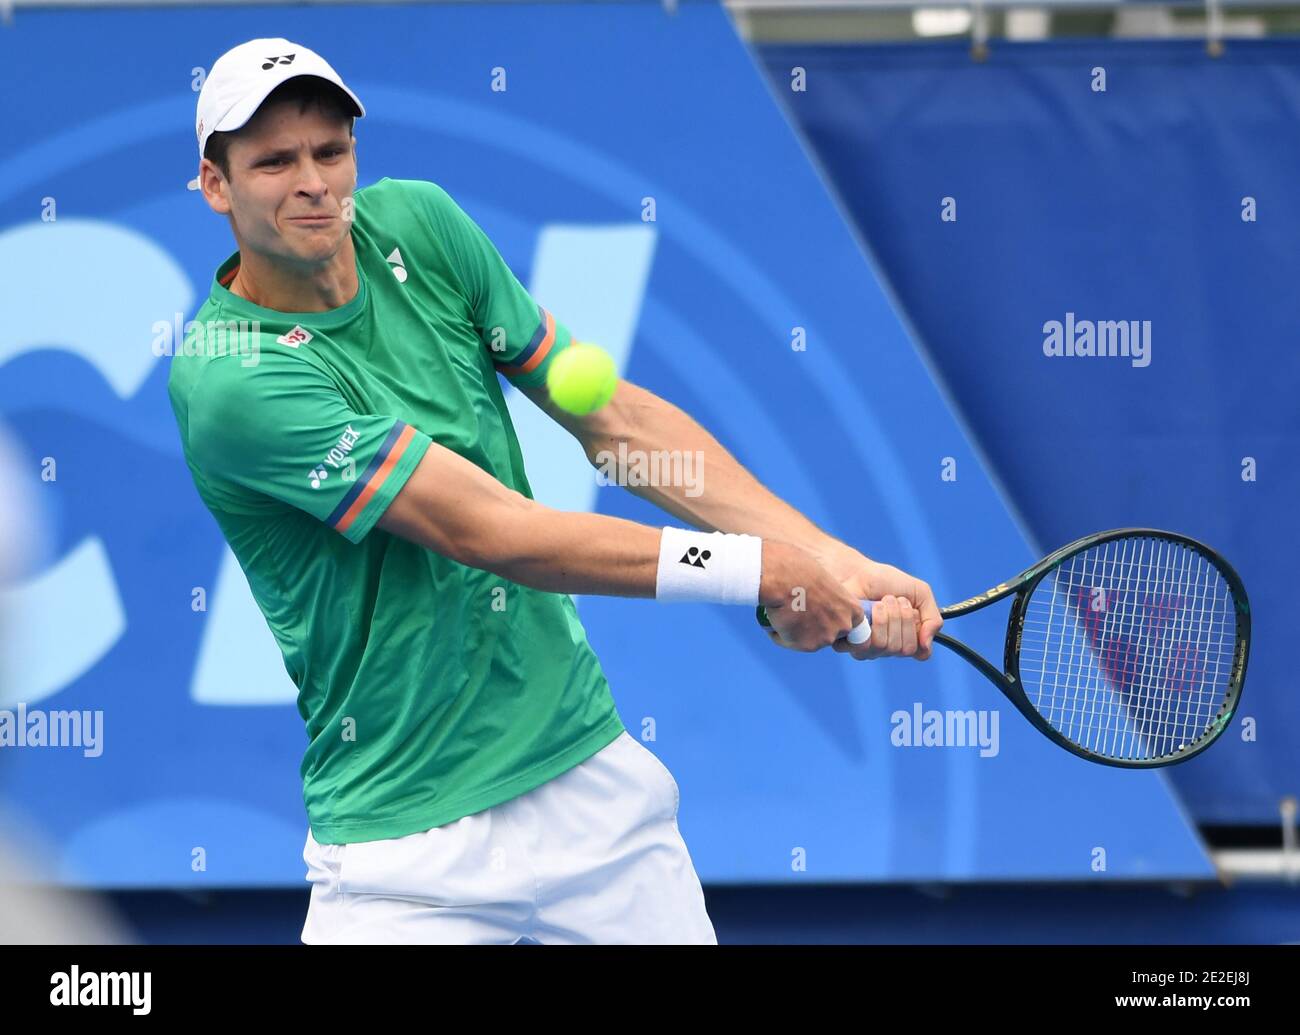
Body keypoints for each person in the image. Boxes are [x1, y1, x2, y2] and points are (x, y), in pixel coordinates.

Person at [170, 37, 943, 945]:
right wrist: (760, 572)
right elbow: (495, 533)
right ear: (216, 185)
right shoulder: (230, 378)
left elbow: (614, 418)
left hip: (591, 793)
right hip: (405, 852)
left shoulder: (421, 225)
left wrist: (832, 561)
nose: (312, 183)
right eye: (273, 162)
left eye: (329, 152)